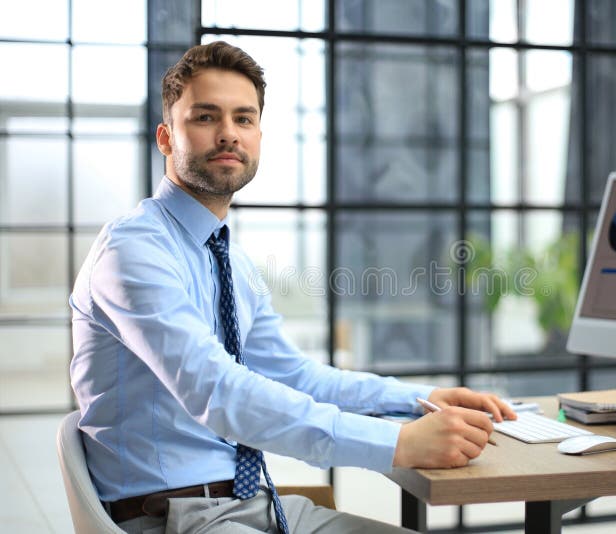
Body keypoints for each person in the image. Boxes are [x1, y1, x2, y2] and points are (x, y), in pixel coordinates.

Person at [69, 41, 516, 534]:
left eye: (244, 119)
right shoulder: (133, 250)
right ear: (165, 137)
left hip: (256, 506)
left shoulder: (231, 260)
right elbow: (218, 392)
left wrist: (423, 399)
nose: (227, 134)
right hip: (174, 517)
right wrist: (398, 445)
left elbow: (299, 378)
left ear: (259, 135)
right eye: (204, 117)